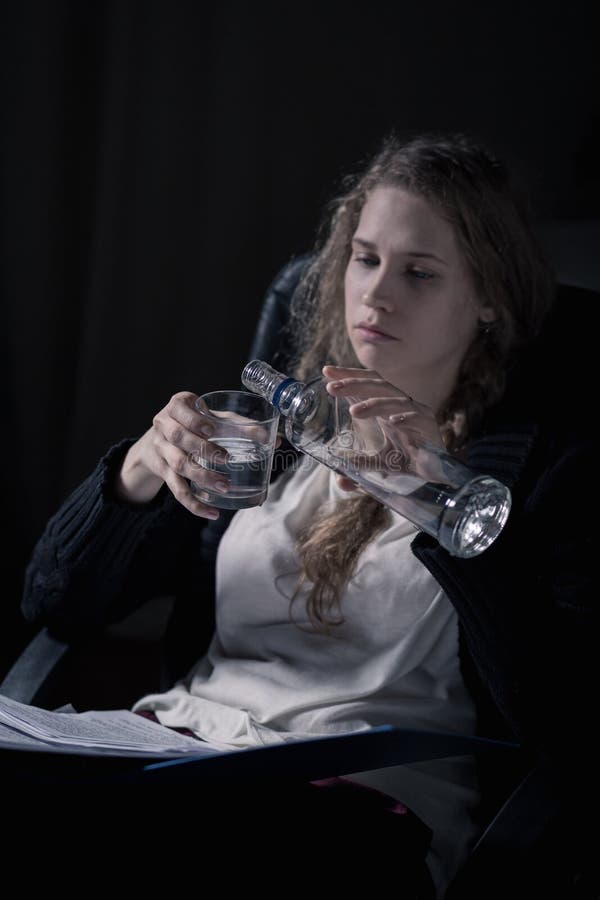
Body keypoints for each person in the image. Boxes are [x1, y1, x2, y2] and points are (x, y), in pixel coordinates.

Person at [19, 132, 594, 896]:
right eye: (365, 258)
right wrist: (135, 477)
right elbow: (54, 604)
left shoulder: (546, 471)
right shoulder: (276, 440)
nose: (376, 295)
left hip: (358, 807)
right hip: (181, 755)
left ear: (489, 299)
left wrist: (437, 493)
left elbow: (565, 720)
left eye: (419, 272)